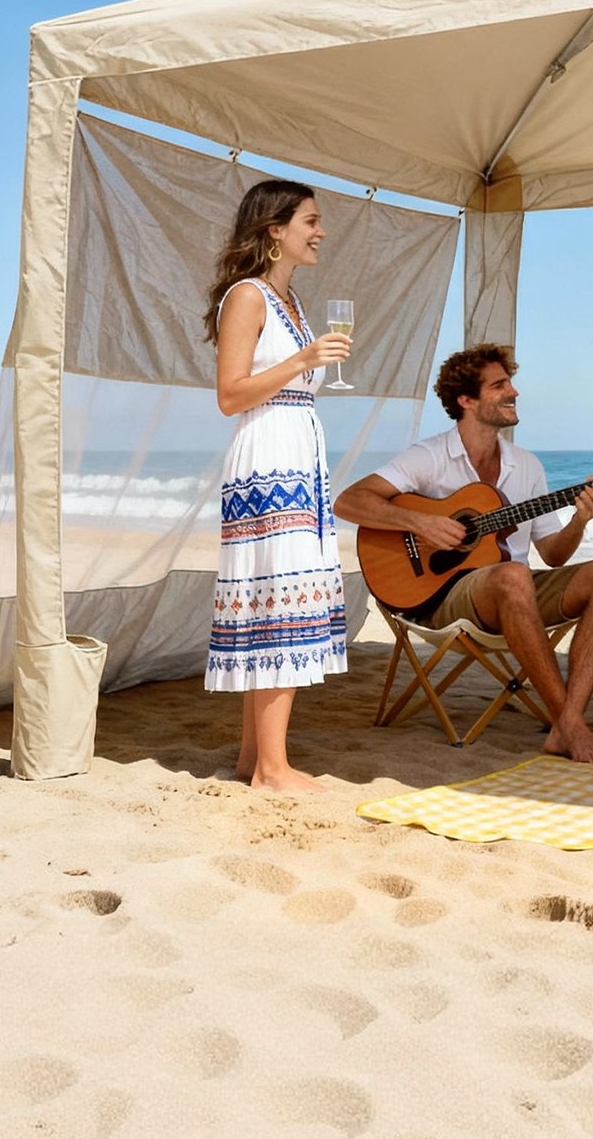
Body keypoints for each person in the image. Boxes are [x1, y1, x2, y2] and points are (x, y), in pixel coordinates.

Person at [334, 345, 593, 764]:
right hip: (442, 599)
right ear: (466, 401)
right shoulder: (429, 456)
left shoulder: (526, 465)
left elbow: (554, 555)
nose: (514, 392)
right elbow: (348, 502)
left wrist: (580, 521)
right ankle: (572, 726)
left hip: (515, 595)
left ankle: (568, 722)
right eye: (500, 385)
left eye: (510, 382)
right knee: (512, 575)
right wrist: (422, 523)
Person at [202, 179, 354, 793]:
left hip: (298, 456)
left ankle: (253, 758)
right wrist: (301, 361)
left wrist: (304, 359)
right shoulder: (248, 296)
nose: (320, 232)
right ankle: (272, 769)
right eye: (310, 221)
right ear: (275, 230)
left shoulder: (291, 301)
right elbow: (229, 395)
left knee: (278, 597)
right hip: (268, 459)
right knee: (277, 600)